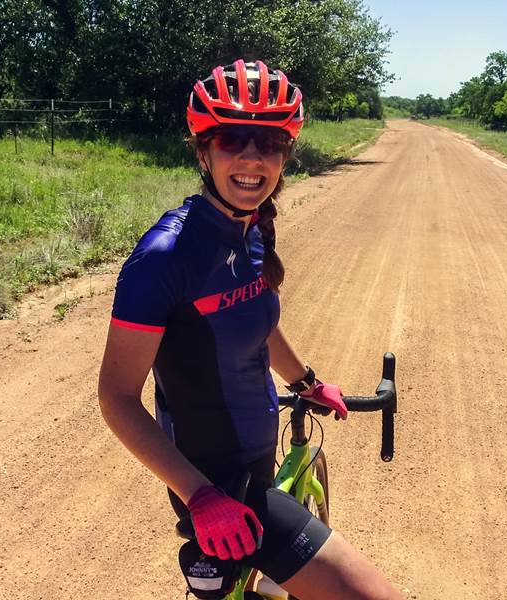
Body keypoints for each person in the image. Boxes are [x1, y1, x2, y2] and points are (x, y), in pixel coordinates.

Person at [98, 59, 402, 600]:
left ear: (286, 155)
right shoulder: (165, 258)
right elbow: (117, 398)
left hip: (258, 461)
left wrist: (306, 381)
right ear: (202, 150)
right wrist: (199, 496)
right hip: (221, 487)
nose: (252, 159)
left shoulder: (251, 230)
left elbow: (258, 322)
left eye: (270, 144)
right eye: (232, 140)